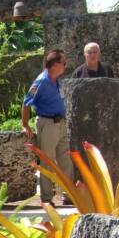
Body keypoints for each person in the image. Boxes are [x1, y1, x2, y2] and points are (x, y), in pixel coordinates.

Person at [22, 49, 72, 208]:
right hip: (47, 123)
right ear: (55, 65)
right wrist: (25, 124)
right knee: (47, 162)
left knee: (66, 159)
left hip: (61, 123)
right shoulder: (41, 81)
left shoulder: (57, 80)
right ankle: (46, 197)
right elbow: (26, 102)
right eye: (63, 63)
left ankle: (68, 194)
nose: (65, 65)